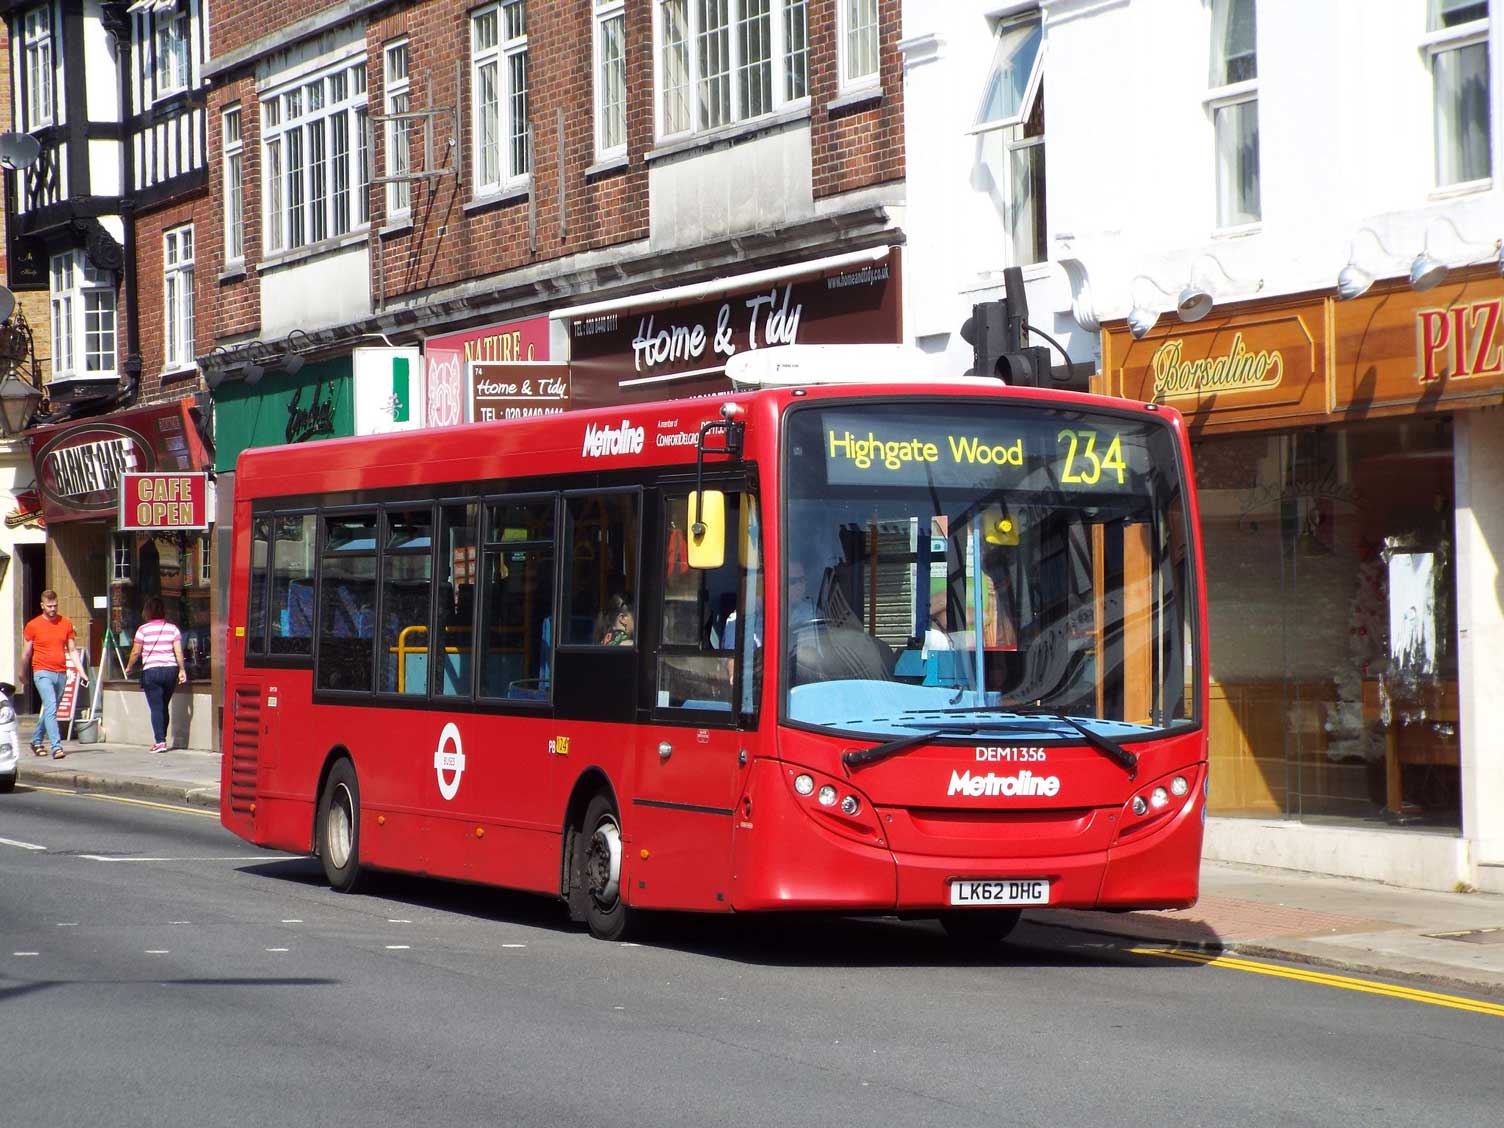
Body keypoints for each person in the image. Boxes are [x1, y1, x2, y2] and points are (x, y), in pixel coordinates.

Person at [18, 590, 89, 760]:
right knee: (50, 706)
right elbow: (26, 653)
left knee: (51, 709)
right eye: (49, 606)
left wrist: (82, 672)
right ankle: (57, 747)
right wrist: (22, 673)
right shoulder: (33, 625)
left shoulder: (66, 623)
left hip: (61, 673)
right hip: (42, 672)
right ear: (42, 605)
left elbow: (72, 650)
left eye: (55, 605)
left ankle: (36, 740)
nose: (53, 609)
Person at [127, 596, 187, 753]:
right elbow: (178, 651)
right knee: (163, 706)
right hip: (170, 670)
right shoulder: (172, 629)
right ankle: (162, 739)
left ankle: (160, 741)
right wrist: (182, 670)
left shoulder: (143, 630)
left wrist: (129, 667)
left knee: (156, 707)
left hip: (151, 671)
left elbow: (135, 652)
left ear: (147, 612)